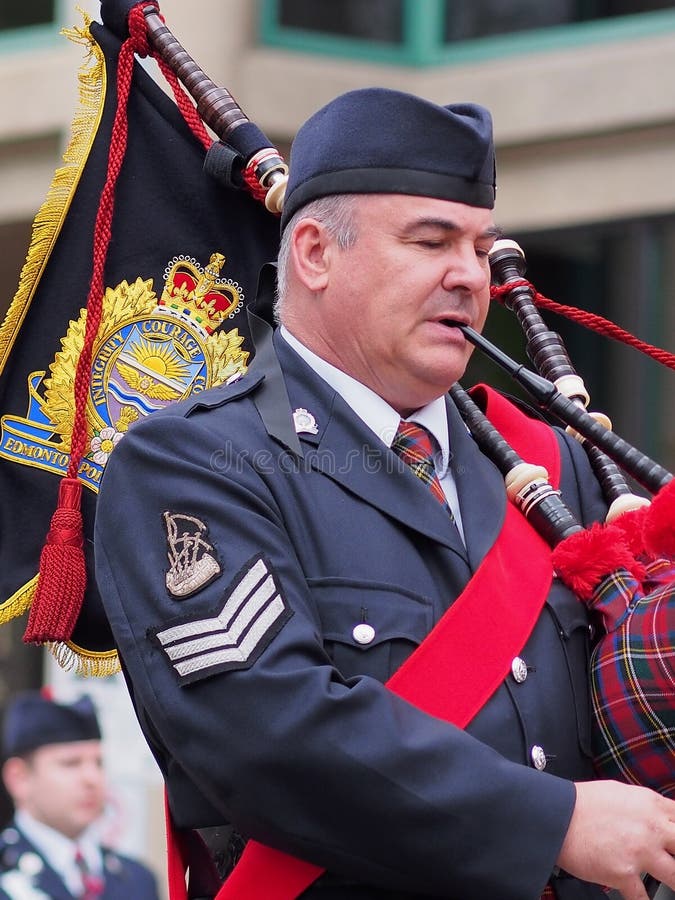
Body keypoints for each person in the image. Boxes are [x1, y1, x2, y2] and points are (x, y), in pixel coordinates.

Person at [94, 88, 675, 899]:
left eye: (481, 247)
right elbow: (266, 732)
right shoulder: (194, 465)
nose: (469, 275)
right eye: (430, 241)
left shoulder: (550, 463)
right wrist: (551, 823)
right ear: (314, 253)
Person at [0, 691, 160, 900]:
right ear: (19, 778)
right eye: (71, 763)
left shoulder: (138, 879)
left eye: (98, 763)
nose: (92, 778)